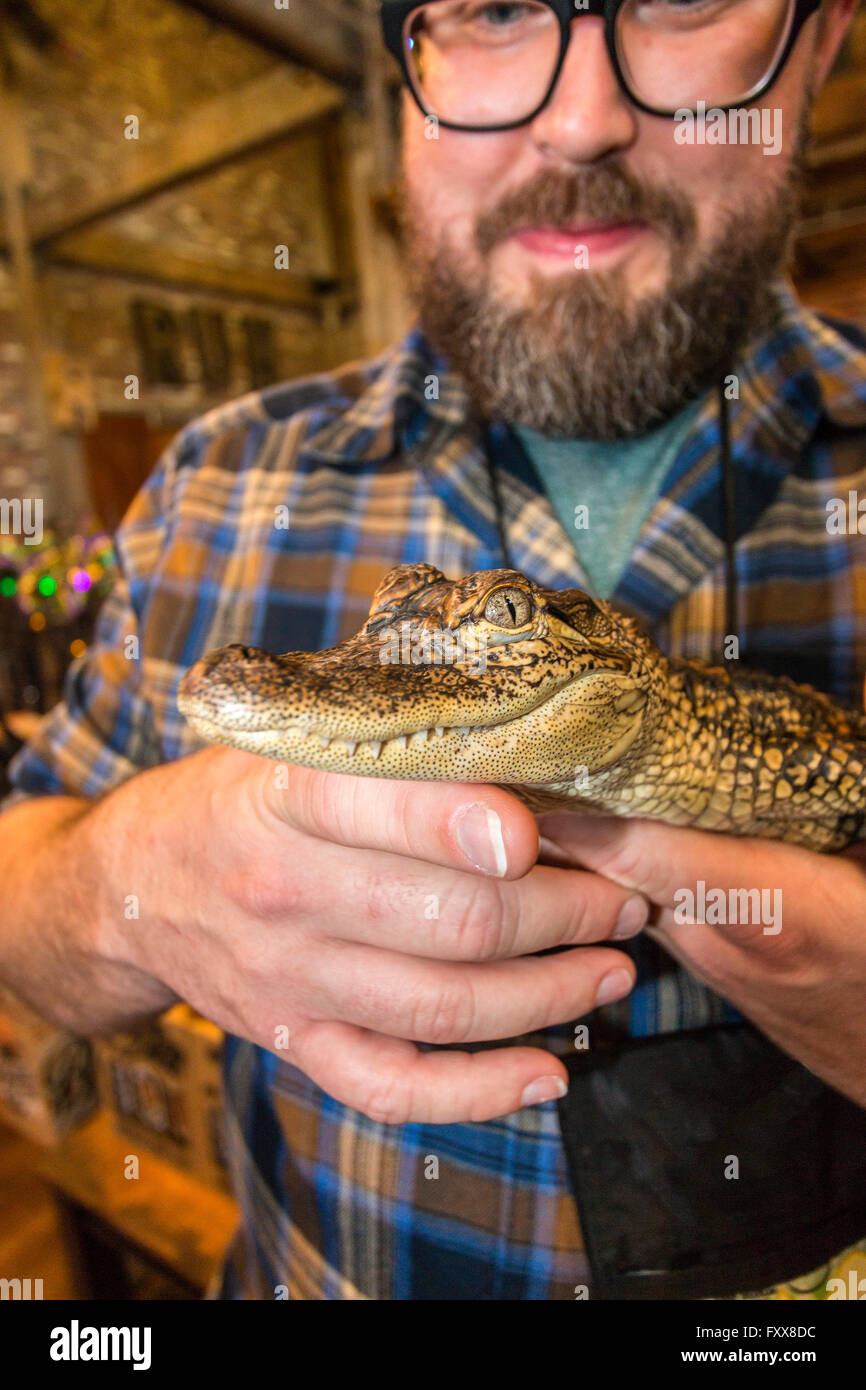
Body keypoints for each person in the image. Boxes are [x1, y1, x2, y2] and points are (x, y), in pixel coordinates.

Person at [2, 0, 866, 1300]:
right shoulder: (216, 479)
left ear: (823, 34)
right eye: (496, 8)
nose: (580, 120)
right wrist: (130, 880)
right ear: (404, 64)